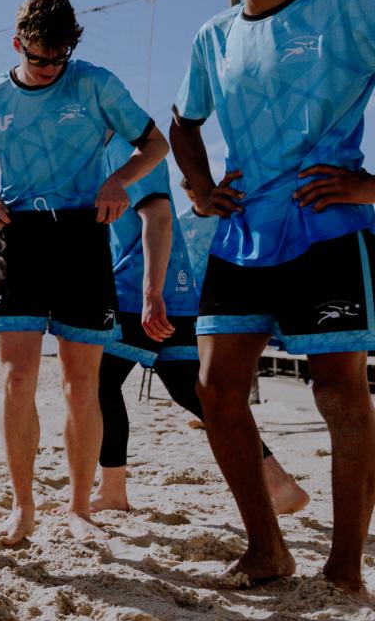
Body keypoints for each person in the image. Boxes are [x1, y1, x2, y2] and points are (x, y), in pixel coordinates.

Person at [168, 0, 375, 594]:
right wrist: (199, 188)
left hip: (326, 223)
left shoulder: (350, 4)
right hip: (242, 231)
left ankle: (345, 568)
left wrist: (371, 186)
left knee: (339, 391)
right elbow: (182, 124)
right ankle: (267, 550)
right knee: (215, 389)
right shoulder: (212, 36)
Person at [0, 0, 169, 546]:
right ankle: (23, 507)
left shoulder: (95, 83)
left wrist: (118, 179)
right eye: (37, 57)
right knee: (16, 377)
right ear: (17, 44)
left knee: (82, 383)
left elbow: (154, 142)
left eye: (58, 58)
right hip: (20, 236)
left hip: (82, 234)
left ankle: (79, 508)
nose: (49, 67)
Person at [93, 139, 308, 515]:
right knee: (194, 392)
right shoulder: (110, 152)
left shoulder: (127, 150)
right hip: (171, 294)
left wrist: (151, 292)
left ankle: (112, 489)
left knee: (98, 383)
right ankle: (279, 483)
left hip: (143, 293)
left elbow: (157, 218)